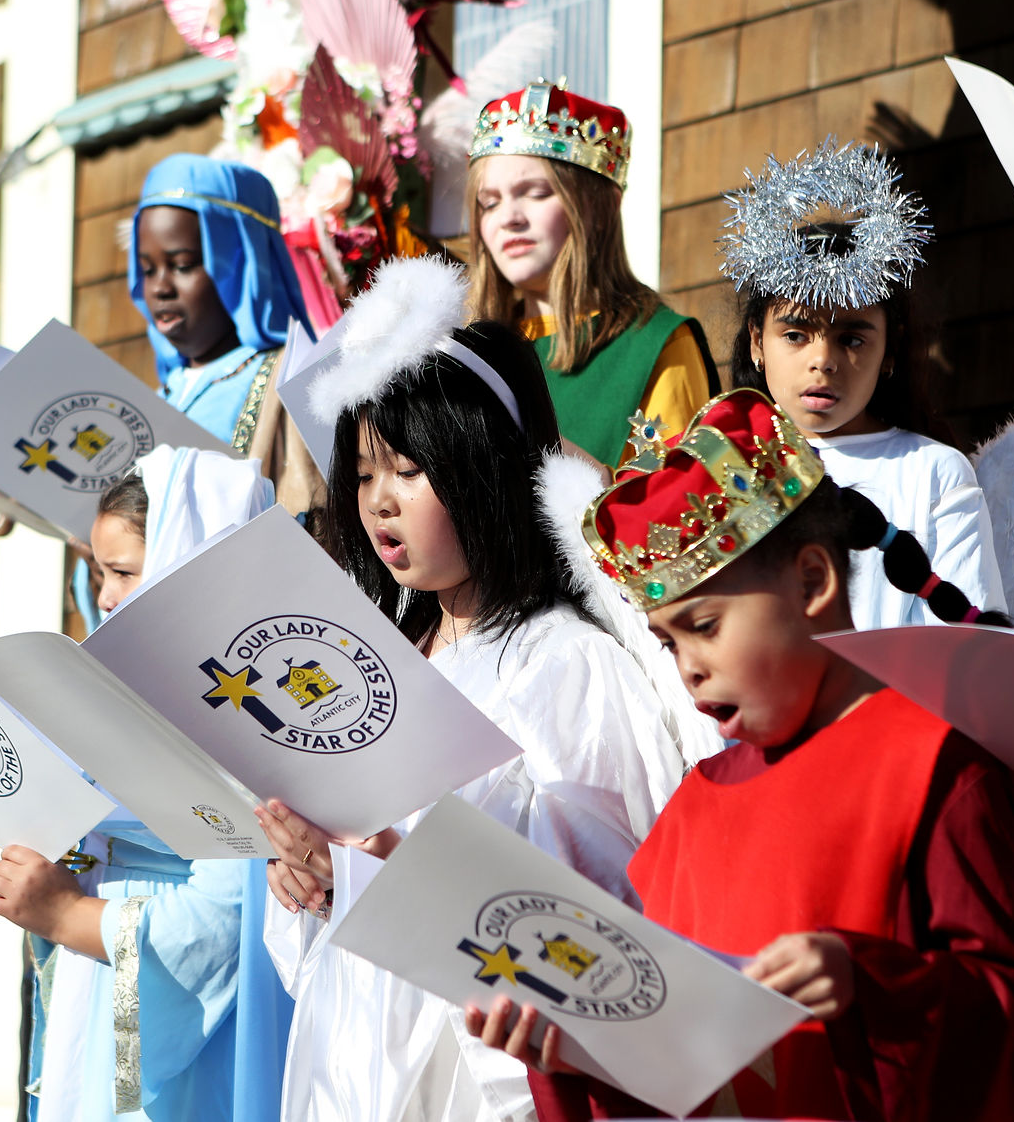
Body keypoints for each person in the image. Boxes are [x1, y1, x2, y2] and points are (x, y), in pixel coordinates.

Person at [467, 389, 1014, 1121]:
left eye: (705, 625)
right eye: (667, 643)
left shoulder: (941, 765)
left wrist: (866, 982)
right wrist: (567, 1051)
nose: (688, 668)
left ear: (813, 581)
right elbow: (672, 1064)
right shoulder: (691, 811)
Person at [255, 255, 693, 1122]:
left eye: (409, 472)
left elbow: (610, 907)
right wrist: (309, 876)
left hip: (482, 1077)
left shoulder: (567, 665)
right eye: (366, 472)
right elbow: (334, 945)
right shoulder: (373, 660)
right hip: (351, 1061)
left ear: (483, 475)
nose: (378, 502)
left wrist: (413, 872)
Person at [0, 446, 291, 1122]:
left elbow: (218, 927)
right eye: (98, 572)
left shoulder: (249, 727)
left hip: (185, 1048)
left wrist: (67, 914)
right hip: (98, 987)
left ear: (192, 561)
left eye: (123, 570)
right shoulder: (129, 699)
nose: (106, 595)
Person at [722, 140, 1008, 629]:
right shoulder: (716, 466)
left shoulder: (932, 472)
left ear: (890, 350)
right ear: (756, 341)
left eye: (851, 337)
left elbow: (968, 644)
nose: (823, 361)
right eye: (795, 334)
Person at [465, 80, 717, 467]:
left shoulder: (654, 345)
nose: (509, 219)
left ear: (598, 208)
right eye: (489, 202)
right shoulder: (468, 357)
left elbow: (675, 510)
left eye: (535, 193)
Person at [130, 153, 325, 518]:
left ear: (244, 261)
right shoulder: (161, 395)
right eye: (147, 269)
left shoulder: (289, 378)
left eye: (182, 265)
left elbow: (314, 517)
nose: (159, 288)